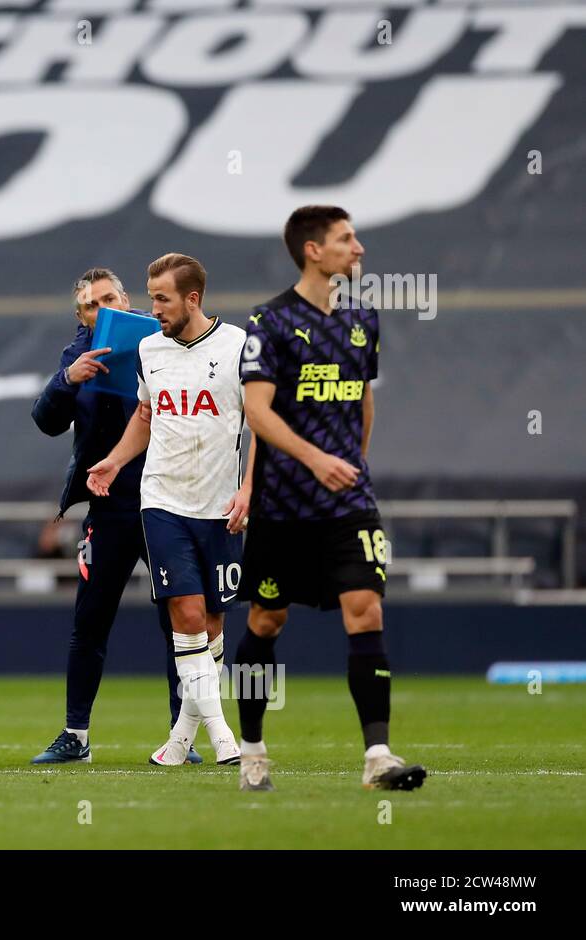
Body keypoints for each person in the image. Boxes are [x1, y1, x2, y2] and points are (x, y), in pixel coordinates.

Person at [234, 205, 425, 792]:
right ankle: (252, 748)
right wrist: (314, 459)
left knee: (366, 609)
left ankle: (378, 756)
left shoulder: (362, 319)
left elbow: (363, 400)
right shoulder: (268, 322)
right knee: (267, 620)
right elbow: (256, 410)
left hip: (347, 506)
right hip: (283, 508)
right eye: (346, 238)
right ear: (313, 250)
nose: (358, 248)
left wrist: (353, 465)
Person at [87, 253, 252, 767]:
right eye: (152, 295)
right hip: (162, 500)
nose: (153, 307)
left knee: (214, 623)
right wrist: (113, 462)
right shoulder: (149, 349)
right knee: (186, 613)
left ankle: (181, 738)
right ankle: (224, 736)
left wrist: (250, 489)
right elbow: (145, 415)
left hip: (221, 503)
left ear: (192, 299)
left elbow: (263, 424)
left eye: (162, 298)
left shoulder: (239, 347)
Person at [29, 268, 192, 765]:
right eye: (89, 305)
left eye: (108, 300)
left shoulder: (163, 343)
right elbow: (46, 420)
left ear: (126, 301)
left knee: (179, 620)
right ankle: (75, 734)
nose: (100, 311)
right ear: (80, 315)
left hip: (167, 498)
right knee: (90, 621)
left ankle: (180, 737)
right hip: (111, 503)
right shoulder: (76, 356)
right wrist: (66, 380)